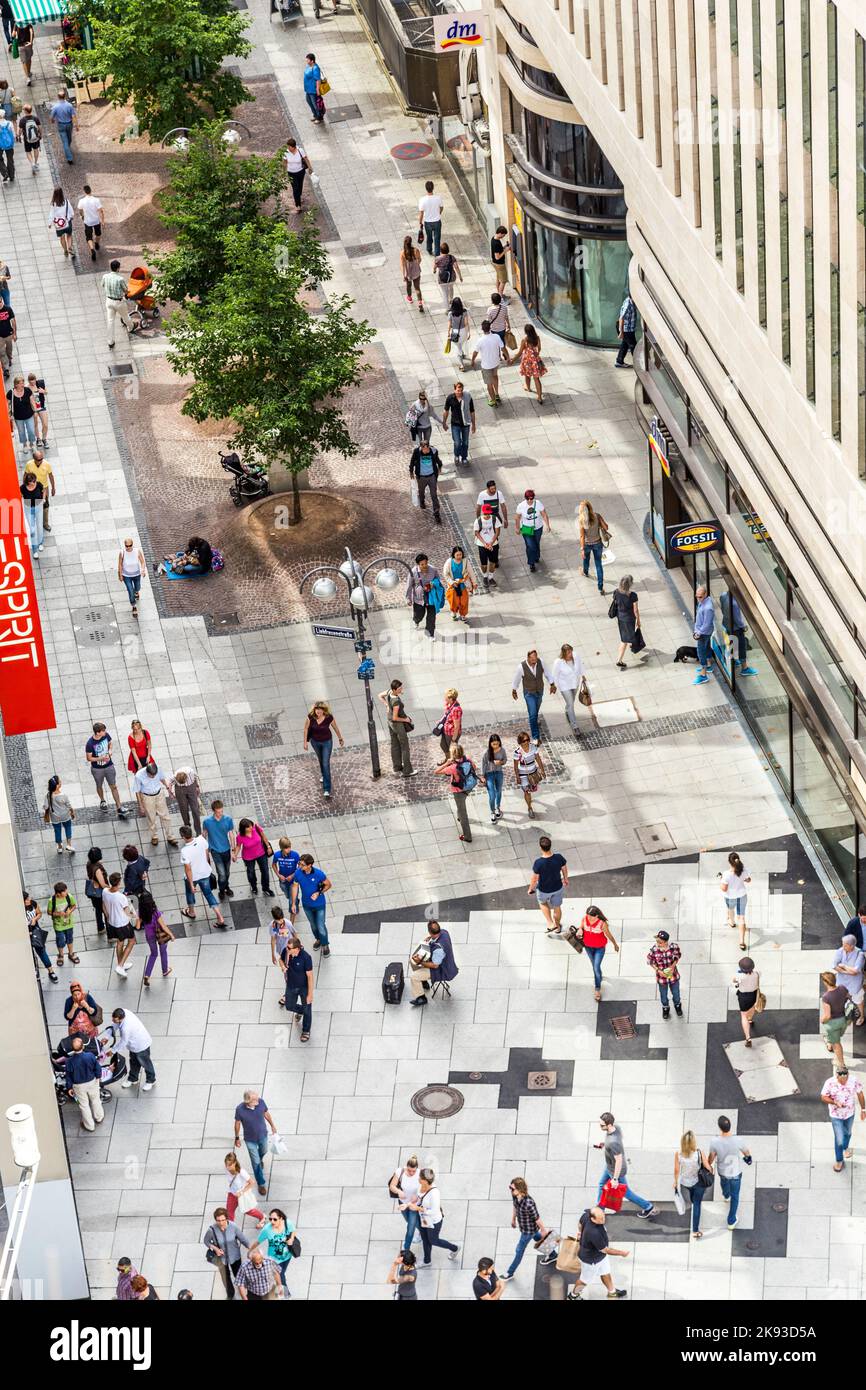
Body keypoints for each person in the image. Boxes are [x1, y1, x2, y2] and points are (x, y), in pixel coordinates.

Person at [594, 1112, 655, 1216]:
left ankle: (647, 1206)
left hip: (615, 1171)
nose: (600, 1126)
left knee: (626, 1193)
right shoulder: (616, 1128)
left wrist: (615, 1179)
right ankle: (600, 1209)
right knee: (601, 1184)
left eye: (602, 1125)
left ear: (609, 1125)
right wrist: (605, 1145)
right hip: (609, 1166)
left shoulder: (613, 1142)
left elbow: (619, 1160)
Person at [565, 1207, 629, 1300]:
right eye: (601, 1219)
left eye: (603, 1216)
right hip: (591, 1260)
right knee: (584, 1280)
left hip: (600, 1256)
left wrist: (580, 1232)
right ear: (592, 1219)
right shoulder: (594, 1233)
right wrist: (622, 1253)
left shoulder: (586, 1215)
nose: (604, 1220)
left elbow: (579, 1224)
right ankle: (573, 1296)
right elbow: (606, 1250)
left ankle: (612, 1293)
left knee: (606, 1273)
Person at [501, 1178, 558, 1280]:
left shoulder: (528, 1203)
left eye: (512, 1188)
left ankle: (510, 1272)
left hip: (528, 1231)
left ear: (520, 1189)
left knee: (519, 1250)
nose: (510, 1190)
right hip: (525, 1227)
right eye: (510, 1188)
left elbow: (537, 1218)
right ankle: (553, 1255)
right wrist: (513, 1219)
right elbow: (514, 1206)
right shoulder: (515, 1196)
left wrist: (544, 1230)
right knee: (538, 1238)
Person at [707, 1115, 752, 1229]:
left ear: (720, 1127)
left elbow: (711, 1158)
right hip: (736, 1173)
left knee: (723, 1183)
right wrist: (748, 1158)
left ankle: (726, 1195)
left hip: (722, 1171)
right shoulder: (738, 1140)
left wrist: (708, 1165)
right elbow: (746, 1153)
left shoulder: (714, 1142)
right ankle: (731, 1220)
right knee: (735, 1196)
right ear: (730, 1126)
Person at [179, 825, 227, 927]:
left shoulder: (184, 851)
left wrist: (192, 885)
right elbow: (207, 856)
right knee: (208, 894)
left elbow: (188, 869)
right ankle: (220, 917)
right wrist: (207, 868)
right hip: (205, 873)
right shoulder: (201, 840)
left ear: (183, 837)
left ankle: (191, 912)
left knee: (189, 893)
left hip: (193, 877)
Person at [409, 1168, 459, 1265]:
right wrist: (409, 1204)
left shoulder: (435, 1193)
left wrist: (418, 1209)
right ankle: (427, 1261)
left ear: (425, 1180)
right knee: (425, 1239)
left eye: (420, 1177)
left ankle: (455, 1248)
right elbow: (420, 1199)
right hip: (423, 1218)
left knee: (433, 1240)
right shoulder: (421, 1186)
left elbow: (434, 1211)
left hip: (434, 1221)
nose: (418, 1178)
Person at [820, 1065, 866, 1172]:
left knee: (848, 1133)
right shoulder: (829, 1083)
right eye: (842, 1080)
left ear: (848, 1075)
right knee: (839, 1138)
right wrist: (834, 1102)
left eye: (846, 1079)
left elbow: (860, 1093)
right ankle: (839, 1160)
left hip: (850, 1113)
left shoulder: (854, 1080)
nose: (844, 1082)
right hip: (836, 1115)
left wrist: (863, 1110)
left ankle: (845, 1148)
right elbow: (823, 1097)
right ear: (837, 1076)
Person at [234, 1090, 277, 1196]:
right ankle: (261, 1183)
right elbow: (237, 1123)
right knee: (255, 1162)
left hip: (263, 1135)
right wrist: (237, 1137)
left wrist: (272, 1125)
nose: (258, 1100)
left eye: (257, 1098)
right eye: (255, 1099)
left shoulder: (261, 1102)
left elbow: (266, 1113)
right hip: (250, 1140)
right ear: (248, 1101)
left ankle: (260, 1159)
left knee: (264, 1150)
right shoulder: (240, 1109)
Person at [434, 742, 477, 844]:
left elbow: (437, 771)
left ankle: (467, 836)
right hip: (469, 786)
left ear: (453, 755)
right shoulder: (468, 760)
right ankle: (459, 815)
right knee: (461, 804)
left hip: (458, 791)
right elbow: (474, 767)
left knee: (463, 813)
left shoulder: (453, 767)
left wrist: (447, 763)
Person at [204, 1208, 251, 1300]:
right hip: (221, 1259)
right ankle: (230, 1294)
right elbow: (206, 1241)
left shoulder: (233, 1227)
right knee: (226, 1278)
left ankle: (244, 1291)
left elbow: (243, 1239)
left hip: (235, 1256)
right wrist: (215, 1248)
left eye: (223, 1220)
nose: (221, 1223)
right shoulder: (211, 1230)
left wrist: (251, 1249)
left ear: (227, 1218)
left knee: (239, 1275)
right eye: (218, 1220)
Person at [407, 920, 456, 1007]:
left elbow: (435, 965)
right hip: (446, 964)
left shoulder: (438, 950)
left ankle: (421, 998)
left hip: (441, 970)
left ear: (430, 931)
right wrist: (430, 937)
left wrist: (420, 962)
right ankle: (423, 982)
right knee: (412, 961)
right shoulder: (444, 932)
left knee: (414, 977)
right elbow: (436, 936)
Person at [575, 905, 619, 1001]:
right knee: (595, 967)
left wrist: (615, 944)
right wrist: (580, 930)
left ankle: (597, 989)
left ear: (596, 916)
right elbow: (581, 927)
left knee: (595, 967)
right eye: (587, 915)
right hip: (588, 947)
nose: (588, 917)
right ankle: (599, 975)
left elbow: (609, 935)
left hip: (599, 948)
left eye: (591, 916)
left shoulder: (602, 924)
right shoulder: (584, 918)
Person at [85, 722, 129, 819]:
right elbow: (89, 758)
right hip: (97, 769)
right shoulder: (90, 743)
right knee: (99, 785)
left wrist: (110, 751)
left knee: (114, 786)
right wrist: (100, 758)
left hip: (109, 766)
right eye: (103, 731)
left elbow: (110, 744)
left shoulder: (106, 736)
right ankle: (102, 800)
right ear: (97, 733)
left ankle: (119, 807)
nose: (105, 732)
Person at [511, 647, 554, 744]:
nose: (535, 661)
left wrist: (552, 684)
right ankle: (536, 737)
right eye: (533, 659)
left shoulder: (541, 662)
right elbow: (516, 679)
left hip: (539, 691)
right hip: (529, 693)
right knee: (533, 714)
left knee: (536, 709)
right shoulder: (521, 667)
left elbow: (547, 673)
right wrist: (514, 690)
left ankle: (534, 719)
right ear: (528, 658)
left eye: (536, 658)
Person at [291, 853, 332, 954]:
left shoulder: (319, 874)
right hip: (307, 905)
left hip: (319, 905)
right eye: (299, 864)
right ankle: (318, 939)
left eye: (302, 865)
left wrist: (319, 893)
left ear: (309, 865)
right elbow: (295, 887)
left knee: (320, 925)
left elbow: (328, 885)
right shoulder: (298, 873)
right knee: (313, 925)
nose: (300, 866)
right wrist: (293, 903)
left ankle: (325, 944)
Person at [529, 835, 569, 935]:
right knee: (557, 907)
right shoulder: (558, 857)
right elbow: (564, 868)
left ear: (540, 847)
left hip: (543, 890)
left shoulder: (538, 863)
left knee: (543, 903)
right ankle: (558, 927)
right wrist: (565, 879)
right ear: (550, 846)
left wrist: (531, 889)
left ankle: (550, 923)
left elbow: (534, 878)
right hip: (557, 887)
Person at [378, 677, 417, 778]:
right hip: (397, 724)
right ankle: (407, 770)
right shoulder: (396, 702)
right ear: (394, 689)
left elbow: (380, 695)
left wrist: (386, 705)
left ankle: (397, 767)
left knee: (394, 744)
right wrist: (406, 720)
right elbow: (396, 718)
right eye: (399, 689)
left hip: (389, 721)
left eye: (401, 688)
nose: (401, 690)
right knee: (405, 747)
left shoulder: (390, 691)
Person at [133, 759, 178, 848]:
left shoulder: (158, 769)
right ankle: (154, 836)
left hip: (159, 794)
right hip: (147, 797)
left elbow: (162, 778)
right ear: (147, 772)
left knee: (165, 816)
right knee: (151, 817)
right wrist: (140, 805)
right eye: (151, 775)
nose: (153, 777)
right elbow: (137, 791)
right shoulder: (139, 775)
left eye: (154, 775)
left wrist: (167, 787)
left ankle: (170, 837)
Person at [64, 1034, 104, 1132]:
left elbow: (68, 1076)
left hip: (79, 1086)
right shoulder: (90, 1056)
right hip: (92, 1082)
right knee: (95, 1100)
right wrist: (98, 1077)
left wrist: (69, 1088)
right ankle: (99, 1117)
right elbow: (97, 1068)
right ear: (83, 1046)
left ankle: (90, 1126)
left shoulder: (69, 1061)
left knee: (84, 1105)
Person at [674, 1131, 708, 1239]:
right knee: (697, 1204)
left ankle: (693, 1200)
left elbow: (676, 1170)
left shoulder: (678, 1154)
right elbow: (707, 1166)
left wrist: (675, 1181)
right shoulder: (699, 1152)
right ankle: (695, 1230)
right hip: (698, 1182)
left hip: (685, 1182)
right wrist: (711, 1170)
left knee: (693, 1197)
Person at [256, 1208, 297, 1297]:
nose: (272, 1221)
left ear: (281, 1218)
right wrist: (250, 1250)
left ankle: (278, 1284)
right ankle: (286, 1296)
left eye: (275, 1219)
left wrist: (291, 1239)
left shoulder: (287, 1223)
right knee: (281, 1276)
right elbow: (258, 1241)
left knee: (282, 1273)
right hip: (274, 1259)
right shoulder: (267, 1229)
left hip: (287, 1255)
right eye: (270, 1219)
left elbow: (293, 1230)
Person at [114, 1006, 156, 1090]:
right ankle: (133, 1078)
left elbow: (123, 1041)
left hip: (141, 1044)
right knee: (133, 1062)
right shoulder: (124, 1011)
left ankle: (151, 1080)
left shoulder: (126, 1027)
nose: (113, 1021)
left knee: (145, 1063)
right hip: (134, 1045)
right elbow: (115, 1024)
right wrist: (109, 1033)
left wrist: (113, 1050)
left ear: (121, 1018)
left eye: (115, 1020)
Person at [280, 936, 314, 1040]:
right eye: (287, 947)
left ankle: (306, 1031)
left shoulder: (306, 957)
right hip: (291, 985)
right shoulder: (286, 952)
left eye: (289, 948)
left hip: (304, 987)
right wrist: (282, 966)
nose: (287, 949)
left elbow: (310, 976)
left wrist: (310, 994)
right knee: (289, 1006)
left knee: (308, 1009)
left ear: (297, 948)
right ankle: (301, 1011)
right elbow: (280, 960)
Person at [137, 890, 173, 985]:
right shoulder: (155, 912)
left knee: (153, 954)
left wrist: (137, 918)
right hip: (160, 934)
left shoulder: (140, 912)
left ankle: (147, 975)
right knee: (163, 951)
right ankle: (165, 970)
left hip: (149, 936)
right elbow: (163, 926)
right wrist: (171, 935)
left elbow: (137, 927)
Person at [103, 873, 136, 976]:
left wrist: (108, 916)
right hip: (123, 923)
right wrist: (135, 915)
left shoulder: (105, 891)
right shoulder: (121, 897)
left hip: (112, 923)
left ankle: (121, 964)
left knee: (120, 942)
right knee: (132, 941)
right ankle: (120, 965)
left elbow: (103, 905)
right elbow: (127, 912)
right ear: (118, 883)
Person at [551, 643, 587, 734]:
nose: (570, 655)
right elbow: (554, 675)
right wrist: (553, 685)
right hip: (565, 686)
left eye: (571, 652)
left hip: (575, 684)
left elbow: (580, 666)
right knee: (571, 703)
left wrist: (583, 676)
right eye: (568, 653)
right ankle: (575, 725)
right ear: (563, 654)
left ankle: (567, 710)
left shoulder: (576, 655)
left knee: (571, 702)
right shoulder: (558, 662)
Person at [405, 552, 442, 639]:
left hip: (431, 597)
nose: (425, 566)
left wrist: (433, 583)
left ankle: (430, 633)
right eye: (422, 564)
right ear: (418, 564)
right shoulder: (413, 572)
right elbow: (409, 585)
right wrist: (408, 599)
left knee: (431, 617)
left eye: (426, 563)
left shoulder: (433, 569)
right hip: (419, 599)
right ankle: (416, 621)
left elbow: (438, 579)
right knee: (419, 615)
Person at [470, 319, 507, 407]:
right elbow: (503, 348)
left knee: (489, 383)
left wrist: (472, 360)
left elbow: (475, 352)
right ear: (490, 328)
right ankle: (497, 394)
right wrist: (508, 357)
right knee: (495, 376)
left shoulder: (480, 340)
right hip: (496, 362)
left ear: (482, 329)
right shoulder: (496, 337)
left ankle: (493, 400)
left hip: (486, 365)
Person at [647, 929, 683, 1019]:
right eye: (657, 941)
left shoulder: (673, 947)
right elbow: (650, 961)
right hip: (661, 978)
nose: (658, 944)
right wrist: (658, 970)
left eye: (660, 942)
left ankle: (677, 1005)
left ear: (666, 942)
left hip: (673, 976)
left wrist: (673, 966)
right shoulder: (654, 950)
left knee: (676, 994)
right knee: (663, 996)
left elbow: (678, 955)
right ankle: (665, 1008)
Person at [720, 590, 757, 676]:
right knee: (741, 646)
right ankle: (744, 668)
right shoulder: (734, 603)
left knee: (732, 642)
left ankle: (734, 660)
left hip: (726, 623)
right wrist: (743, 626)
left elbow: (722, 609)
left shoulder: (723, 595)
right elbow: (737, 619)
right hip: (736, 628)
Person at [204, 799, 236, 899]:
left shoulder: (228, 819)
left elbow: (231, 834)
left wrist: (233, 850)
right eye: (218, 812)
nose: (220, 814)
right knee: (221, 873)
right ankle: (222, 890)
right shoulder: (207, 822)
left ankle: (226, 886)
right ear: (214, 811)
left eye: (222, 811)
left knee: (227, 872)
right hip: (215, 850)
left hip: (226, 849)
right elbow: (204, 835)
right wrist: (205, 853)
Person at [720, 850, 751, 951]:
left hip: (730, 897)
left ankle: (732, 922)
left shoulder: (726, 874)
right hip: (742, 895)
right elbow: (748, 880)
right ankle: (742, 942)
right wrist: (742, 879)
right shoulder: (743, 870)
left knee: (730, 910)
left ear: (730, 862)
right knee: (741, 917)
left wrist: (721, 880)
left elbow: (724, 888)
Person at [234, 819, 274, 895]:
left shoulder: (256, 828)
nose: (251, 828)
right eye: (248, 827)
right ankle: (253, 886)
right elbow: (238, 846)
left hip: (261, 853)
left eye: (251, 825)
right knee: (251, 873)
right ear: (243, 829)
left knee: (265, 872)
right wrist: (235, 855)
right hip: (248, 857)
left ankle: (266, 888)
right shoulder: (240, 837)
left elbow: (264, 837)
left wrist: (268, 847)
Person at [389, 1155, 422, 1251]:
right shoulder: (400, 1171)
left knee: (410, 1227)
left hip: (413, 1205)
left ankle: (406, 1248)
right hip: (402, 1203)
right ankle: (423, 1232)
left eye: (414, 1171)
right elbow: (392, 1186)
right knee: (410, 1221)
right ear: (406, 1167)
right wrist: (399, 1192)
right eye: (409, 1170)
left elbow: (426, 1188)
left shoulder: (420, 1173)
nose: (411, 1173)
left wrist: (417, 1195)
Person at [578, 499, 610, 595]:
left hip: (587, 544)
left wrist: (582, 549)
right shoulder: (597, 516)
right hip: (597, 543)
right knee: (598, 565)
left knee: (586, 559)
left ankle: (586, 572)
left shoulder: (581, 521)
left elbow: (582, 536)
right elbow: (606, 527)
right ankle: (600, 588)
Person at [821, 970, 853, 1068]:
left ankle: (841, 1063)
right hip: (845, 1020)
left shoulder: (826, 997)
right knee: (837, 1035)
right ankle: (830, 1044)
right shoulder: (842, 988)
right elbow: (849, 998)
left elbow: (827, 1016)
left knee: (837, 1044)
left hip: (833, 1023)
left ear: (825, 982)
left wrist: (822, 1020)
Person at [224, 1151, 266, 1224]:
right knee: (229, 1212)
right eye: (226, 1165)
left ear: (234, 1163)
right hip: (232, 1193)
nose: (227, 1167)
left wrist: (241, 1192)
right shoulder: (227, 1170)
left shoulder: (241, 1172)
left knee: (248, 1211)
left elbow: (252, 1183)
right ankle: (231, 1227)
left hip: (242, 1195)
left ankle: (262, 1216)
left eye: (230, 1165)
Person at [514, 489, 550, 572]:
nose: (530, 500)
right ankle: (531, 563)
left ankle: (536, 556)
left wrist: (547, 525)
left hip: (538, 528)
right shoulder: (521, 506)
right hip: (526, 528)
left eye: (531, 498)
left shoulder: (538, 504)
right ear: (525, 498)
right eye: (528, 499)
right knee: (530, 546)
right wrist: (517, 528)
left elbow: (544, 515)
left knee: (536, 543)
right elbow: (517, 518)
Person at [834, 934, 866, 1026]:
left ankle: (862, 1016)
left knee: (858, 1000)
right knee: (843, 997)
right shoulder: (840, 951)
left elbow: (855, 971)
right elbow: (834, 966)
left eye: (845, 945)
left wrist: (843, 966)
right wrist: (849, 971)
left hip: (855, 984)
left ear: (851, 946)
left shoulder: (859, 954)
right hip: (841, 982)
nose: (842, 946)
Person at [26, 890, 57, 983]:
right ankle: (34, 971)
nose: (29, 899)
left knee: (41, 950)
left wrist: (34, 919)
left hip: (35, 931)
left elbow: (39, 913)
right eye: (27, 899)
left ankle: (51, 971)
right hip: (25, 935)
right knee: (28, 954)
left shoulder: (33, 903)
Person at [409, 438, 443, 522]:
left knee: (434, 495)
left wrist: (439, 468)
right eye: (423, 449)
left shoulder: (434, 451)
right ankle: (422, 501)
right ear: (421, 448)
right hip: (421, 477)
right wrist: (411, 472)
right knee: (421, 491)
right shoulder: (417, 451)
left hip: (432, 476)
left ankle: (436, 512)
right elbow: (412, 461)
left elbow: (438, 461)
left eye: (426, 449)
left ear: (428, 447)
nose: (425, 451)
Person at [442, 380, 475, 465]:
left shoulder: (467, 396)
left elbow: (472, 411)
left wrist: (473, 424)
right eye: (458, 390)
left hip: (465, 424)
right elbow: (446, 411)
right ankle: (456, 456)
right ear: (454, 389)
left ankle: (464, 457)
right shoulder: (450, 398)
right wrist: (444, 422)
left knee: (465, 442)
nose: (459, 392)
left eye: (461, 390)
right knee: (457, 442)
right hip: (455, 424)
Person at [513, 731, 544, 818]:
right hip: (523, 774)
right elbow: (515, 766)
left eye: (527, 740)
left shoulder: (533, 747)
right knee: (526, 790)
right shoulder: (517, 752)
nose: (526, 742)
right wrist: (517, 777)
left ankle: (529, 800)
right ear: (520, 742)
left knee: (533, 789)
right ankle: (529, 808)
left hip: (533, 772)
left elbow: (538, 758)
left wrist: (542, 770)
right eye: (523, 741)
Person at [612, 574, 641, 669]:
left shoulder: (616, 592)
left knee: (625, 635)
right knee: (624, 640)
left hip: (620, 617)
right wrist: (638, 621)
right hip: (629, 619)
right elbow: (635, 610)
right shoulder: (633, 596)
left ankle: (631, 642)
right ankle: (619, 660)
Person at [48, 881, 78, 967]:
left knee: (70, 939)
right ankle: (61, 955)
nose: (66, 892)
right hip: (58, 926)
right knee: (60, 940)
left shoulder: (69, 896)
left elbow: (74, 905)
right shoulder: (52, 900)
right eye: (64, 891)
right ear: (58, 893)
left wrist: (70, 911)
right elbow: (49, 912)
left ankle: (71, 954)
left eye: (66, 890)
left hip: (69, 923)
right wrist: (58, 914)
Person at [102, 259, 132, 347]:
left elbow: (102, 285)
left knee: (110, 321)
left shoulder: (105, 276)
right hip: (118, 302)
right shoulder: (120, 279)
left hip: (109, 301)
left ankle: (110, 341)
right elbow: (126, 291)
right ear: (118, 268)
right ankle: (131, 327)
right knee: (125, 316)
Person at [733, 955, 761, 1046]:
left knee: (743, 1015)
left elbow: (734, 981)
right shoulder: (757, 974)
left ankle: (748, 1038)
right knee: (752, 1007)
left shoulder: (739, 976)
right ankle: (750, 1019)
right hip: (753, 994)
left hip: (743, 997)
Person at [43, 775, 75, 854]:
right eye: (60, 781)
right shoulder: (63, 795)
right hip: (65, 816)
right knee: (68, 828)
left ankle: (60, 847)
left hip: (54, 817)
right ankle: (69, 845)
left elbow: (46, 806)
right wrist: (72, 812)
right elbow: (69, 805)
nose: (61, 782)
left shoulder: (48, 795)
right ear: (57, 786)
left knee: (57, 831)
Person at [443, 545, 475, 622]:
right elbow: (446, 574)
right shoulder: (449, 562)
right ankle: (454, 612)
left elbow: (471, 572)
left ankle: (463, 614)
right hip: (454, 586)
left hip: (463, 585)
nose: (459, 556)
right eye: (457, 555)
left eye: (460, 554)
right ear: (453, 554)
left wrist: (474, 582)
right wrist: (452, 582)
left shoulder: (465, 561)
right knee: (454, 601)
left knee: (464, 601)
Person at [473, 503, 501, 589]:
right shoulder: (478, 521)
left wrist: (491, 543)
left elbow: (497, 532)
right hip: (482, 545)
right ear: (482, 512)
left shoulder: (495, 519)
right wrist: (485, 543)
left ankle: (491, 577)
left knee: (492, 562)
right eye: (485, 513)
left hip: (493, 544)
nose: (487, 515)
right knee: (484, 564)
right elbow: (476, 533)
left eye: (488, 513)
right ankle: (485, 576)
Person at [481, 732, 507, 824]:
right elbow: (483, 764)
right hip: (489, 775)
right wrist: (482, 776)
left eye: (497, 743)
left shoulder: (502, 750)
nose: (495, 745)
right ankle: (492, 812)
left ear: (499, 742)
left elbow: (505, 760)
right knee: (492, 795)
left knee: (499, 791)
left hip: (499, 773)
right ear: (490, 743)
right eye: (493, 744)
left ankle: (497, 808)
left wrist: (500, 762)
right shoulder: (487, 752)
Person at [517, 323, 547, 403]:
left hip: (527, 361)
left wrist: (513, 360)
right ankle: (539, 397)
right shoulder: (537, 338)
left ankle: (528, 387)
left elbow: (520, 352)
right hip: (535, 360)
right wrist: (536, 353)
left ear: (526, 332)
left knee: (527, 375)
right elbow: (539, 348)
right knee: (536, 379)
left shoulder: (524, 340)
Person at [169, 766, 203, 834]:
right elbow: (169, 783)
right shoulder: (174, 776)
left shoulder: (191, 772)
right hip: (180, 789)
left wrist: (197, 787)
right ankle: (187, 826)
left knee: (195, 809)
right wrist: (170, 793)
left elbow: (196, 778)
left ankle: (198, 830)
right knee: (183, 809)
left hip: (191, 787)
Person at [84, 847, 109, 934]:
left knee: (98, 910)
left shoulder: (89, 863)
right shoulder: (97, 869)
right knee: (106, 910)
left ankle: (100, 928)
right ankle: (110, 934)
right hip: (100, 893)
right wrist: (112, 889)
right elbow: (103, 884)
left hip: (93, 892)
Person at [693, 584, 715, 685]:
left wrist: (698, 633)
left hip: (703, 633)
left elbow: (707, 624)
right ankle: (709, 665)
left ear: (705, 594)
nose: (698, 599)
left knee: (700, 651)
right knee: (706, 648)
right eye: (696, 596)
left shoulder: (708, 608)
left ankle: (703, 675)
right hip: (702, 631)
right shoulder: (704, 601)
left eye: (700, 596)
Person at [117, 539, 145, 617]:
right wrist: (120, 574)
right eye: (127, 546)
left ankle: (136, 591)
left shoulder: (137, 551)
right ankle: (134, 606)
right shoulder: (122, 553)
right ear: (124, 545)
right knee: (130, 591)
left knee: (138, 587)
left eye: (130, 545)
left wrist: (142, 570)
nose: (128, 547)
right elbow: (120, 564)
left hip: (136, 574)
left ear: (132, 544)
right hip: (126, 576)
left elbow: (142, 562)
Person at [9, 375, 36, 452]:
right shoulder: (11, 393)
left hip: (29, 415)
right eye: (21, 383)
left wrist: (35, 411)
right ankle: (24, 445)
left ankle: (32, 444)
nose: (23, 385)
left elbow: (32, 401)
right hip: (18, 417)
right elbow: (7, 404)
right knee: (21, 432)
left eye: (23, 383)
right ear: (16, 384)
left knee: (31, 430)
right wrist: (9, 414)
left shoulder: (27, 390)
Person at [283, 137, 311, 212]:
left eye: (289, 146)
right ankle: (298, 205)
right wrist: (284, 171)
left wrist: (310, 168)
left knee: (300, 186)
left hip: (300, 172)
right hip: (291, 173)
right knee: (295, 189)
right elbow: (285, 162)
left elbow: (305, 159)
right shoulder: (286, 152)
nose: (288, 148)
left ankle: (299, 196)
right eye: (287, 146)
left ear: (293, 146)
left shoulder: (300, 150)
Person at [435, 688, 463, 763]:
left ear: (450, 698)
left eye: (446, 696)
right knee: (443, 745)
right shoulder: (448, 704)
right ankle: (448, 759)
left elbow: (456, 726)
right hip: (446, 730)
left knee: (452, 750)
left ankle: (452, 765)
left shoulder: (456, 709)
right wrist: (440, 721)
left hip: (452, 733)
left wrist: (453, 739)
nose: (444, 697)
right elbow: (446, 715)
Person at [418, 178, 444, 256]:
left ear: (426, 189)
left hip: (427, 222)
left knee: (429, 237)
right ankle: (437, 254)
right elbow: (442, 207)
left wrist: (420, 222)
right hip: (437, 221)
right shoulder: (438, 198)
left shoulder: (422, 200)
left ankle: (429, 249)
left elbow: (421, 213)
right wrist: (438, 213)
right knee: (437, 238)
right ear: (433, 188)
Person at [77, 185, 103, 260]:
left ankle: (92, 249)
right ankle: (97, 243)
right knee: (98, 234)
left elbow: (80, 210)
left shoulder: (82, 201)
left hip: (87, 221)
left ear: (84, 192)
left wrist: (82, 216)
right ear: (91, 191)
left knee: (89, 237)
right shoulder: (96, 200)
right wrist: (102, 220)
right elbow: (101, 211)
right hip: (96, 220)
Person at [20, 471, 43, 557]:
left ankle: (40, 543)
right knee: (32, 530)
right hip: (28, 508)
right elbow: (20, 495)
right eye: (31, 484)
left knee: (39, 526)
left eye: (34, 482)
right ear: (27, 483)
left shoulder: (38, 484)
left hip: (38, 506)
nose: (33, 485)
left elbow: (43, 490)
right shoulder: (22, 488)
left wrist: (43, 500)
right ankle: (34, 550)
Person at [434, 241, 462, 312]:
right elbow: (456, 267)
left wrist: (434, 270)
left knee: (444, 292)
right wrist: (460, 276)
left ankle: (447, 308)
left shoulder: (437, 258)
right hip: (451, 277)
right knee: (451, 288)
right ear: (448, 249)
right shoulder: (452, 257)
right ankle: (451, 300)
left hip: (442, 279)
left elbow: (434, 267)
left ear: (441, 250)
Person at [50, 90, 77, 162]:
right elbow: (73, 116)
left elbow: (52, 116)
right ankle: (69, 156)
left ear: (58, 97)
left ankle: (67, 151)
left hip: (61, 125)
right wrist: (77, 126)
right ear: (65, 96)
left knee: (66, 141)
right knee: (69, 139)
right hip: (69, 124)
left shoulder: (55, 107)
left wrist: (52, 121)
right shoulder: (69, 105)